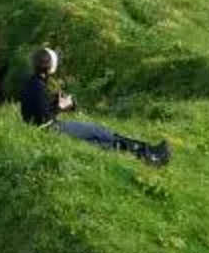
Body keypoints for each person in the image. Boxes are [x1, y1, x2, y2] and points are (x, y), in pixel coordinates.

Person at [17, 46, 168, 165]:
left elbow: (35, 112)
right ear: (50, 67)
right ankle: (150, 154)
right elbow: (44, 118)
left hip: (46, 130)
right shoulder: (39, 87)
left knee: (99, 142)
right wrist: (62, 106)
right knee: (98, 132)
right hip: (51, 130)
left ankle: (147, 153)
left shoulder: (32, 82)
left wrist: (56, 103)